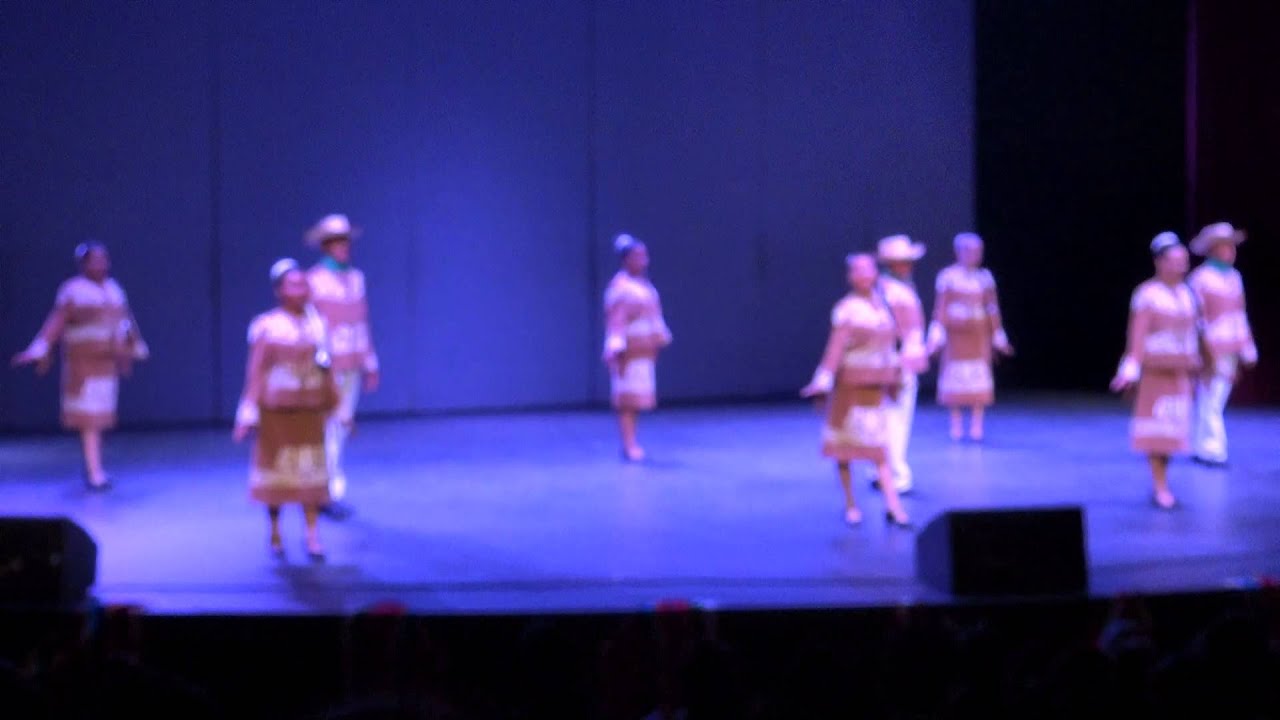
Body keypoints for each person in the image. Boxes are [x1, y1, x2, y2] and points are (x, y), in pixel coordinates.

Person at [11, 242, 149, 489]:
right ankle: (95, 473)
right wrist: (39, 348)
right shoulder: (74, 291)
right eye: (95, 260)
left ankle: (95, 469)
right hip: (84, 366)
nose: (101, 264)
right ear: (83, 264)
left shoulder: (113, 289)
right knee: (89, 420)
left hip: (106, 364)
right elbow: (56, 322)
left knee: (100, 419)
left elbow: (125, 322)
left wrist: (131, 349)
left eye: (104, 259)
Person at [234, 258, 338, 560]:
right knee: (276, 473)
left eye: (304, 284)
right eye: (293, 285)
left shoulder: (317, 325)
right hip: (276, 411)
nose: (301, 290)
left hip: (308, 409)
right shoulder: (267, 326)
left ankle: (312, 534)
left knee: (310, 473)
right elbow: (256, 371)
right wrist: (248, 410)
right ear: (279, 290)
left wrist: (337, 405)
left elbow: (326, 369)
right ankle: (275, 530)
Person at [801, 253, 911, 527]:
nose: (864, 275)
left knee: (879, 449)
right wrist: (823, 379)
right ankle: (850, 503)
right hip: (849, 387)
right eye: (858, 270)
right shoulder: (846, 309)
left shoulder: (883, 305)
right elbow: (835, 347)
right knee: (845, 449)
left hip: (874, 387)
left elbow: (891, 345)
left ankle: (893, 506)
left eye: (868, 269)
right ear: (850, 276)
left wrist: (896, 374)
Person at [1110, 233, 1200, 510]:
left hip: (1181, 371)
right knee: (1157, 433)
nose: (1181, 266)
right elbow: (1137, 335)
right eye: (1175, 260)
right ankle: (1160, 486)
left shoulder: (1187, 294)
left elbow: (1194, 333)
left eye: (1184, 261)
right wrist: (1130, 369)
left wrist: (1198, 367)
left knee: (1172, 435)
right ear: (1159, 262)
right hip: (1156, 372)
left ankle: (1164, 483)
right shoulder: (1147, 294)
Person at [304, 213, 380, 518]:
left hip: (352, 362)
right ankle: (323, 492)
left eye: (345, 241)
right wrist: (317, 362)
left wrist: (370, 361)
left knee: (340, 426)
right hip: (328, 364)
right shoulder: (314, 280)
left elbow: (361, 320)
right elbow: (312, 325)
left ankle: (328, 489)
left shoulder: (356, 279)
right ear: (326, 245)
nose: (343, 246)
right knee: (325, 426)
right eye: (336, 241)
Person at [927, 232, 1014, 441]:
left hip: (978, 334)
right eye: (968, 250)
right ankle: (956, 425)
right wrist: (936, 334)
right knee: (954, 376)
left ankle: (977, 425)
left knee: (979, 376)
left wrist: (998, 335)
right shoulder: (948, 276)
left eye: (977, 251)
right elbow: (941, 307)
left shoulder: (984, 277)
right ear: (958, 252)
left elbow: (992, 308)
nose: (973, 254)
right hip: (956, 334)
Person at [1187, 221, 1257, 467]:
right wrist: (1204, 349)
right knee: (1211, 395)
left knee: (1215, 396)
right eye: (1225, 246)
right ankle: (1213, 448)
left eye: (1232, 246)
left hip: (1231, 343)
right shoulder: (1200, 278)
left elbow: (1240, 312)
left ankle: (1201, 445)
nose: (1231, 250)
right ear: (1213, 249)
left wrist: (1247, 346)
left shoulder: (1234, 277)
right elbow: (1198, 318)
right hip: (1210, 343)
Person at [603, 233, 672, 462]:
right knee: (627, 401)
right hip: (628, 348)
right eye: (638, 256)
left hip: (643, 347)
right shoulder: (621, 287)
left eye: (644, 256)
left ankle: (632, 441)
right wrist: (614, 346)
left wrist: (659, 338)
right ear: (626, 259)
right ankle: (629, 444)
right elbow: (616, 320)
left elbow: (654, 315)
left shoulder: (643, 286)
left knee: (637, 399)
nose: (643, 260)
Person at [873, 234, 929, 494]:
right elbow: (909, 334)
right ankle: (896, 474)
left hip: (882, 361)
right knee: (896, 419)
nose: (909, 265)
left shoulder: (879, 288)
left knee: (883, 418)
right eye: (904, 261)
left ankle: (879, 470)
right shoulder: (898, 292)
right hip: (898, 362)